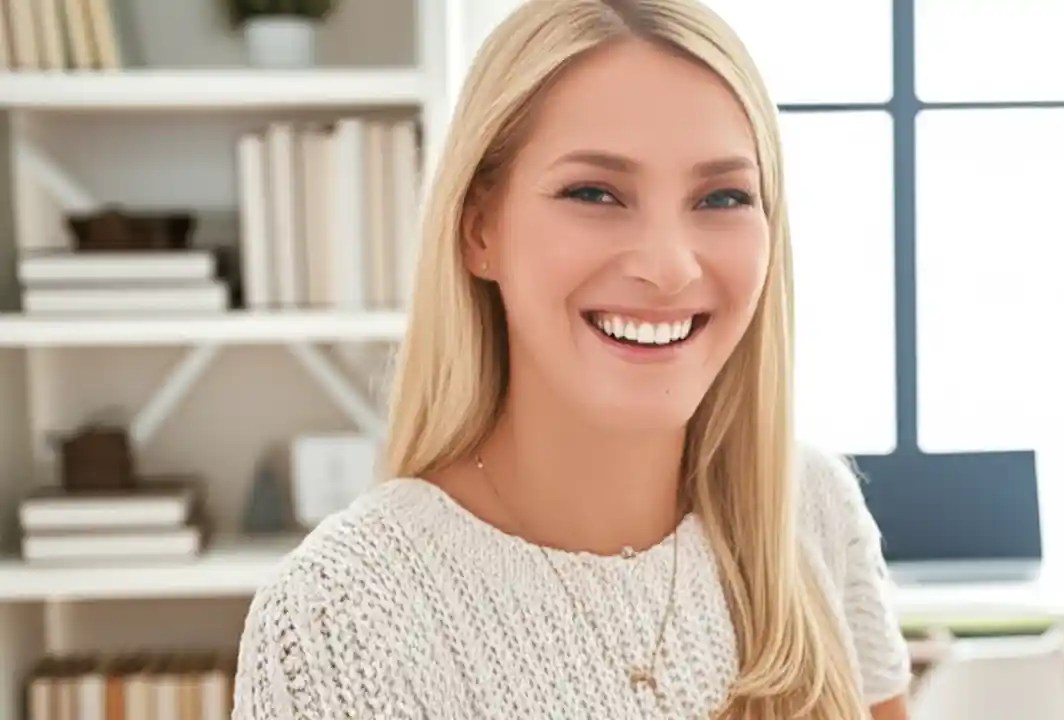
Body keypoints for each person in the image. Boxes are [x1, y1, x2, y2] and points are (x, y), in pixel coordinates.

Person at [232, 0, 912, 718]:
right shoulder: (341, 616)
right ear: (479, 230)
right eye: (594, 192)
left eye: (723, 196)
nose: (669, 267)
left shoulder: (813, 508)